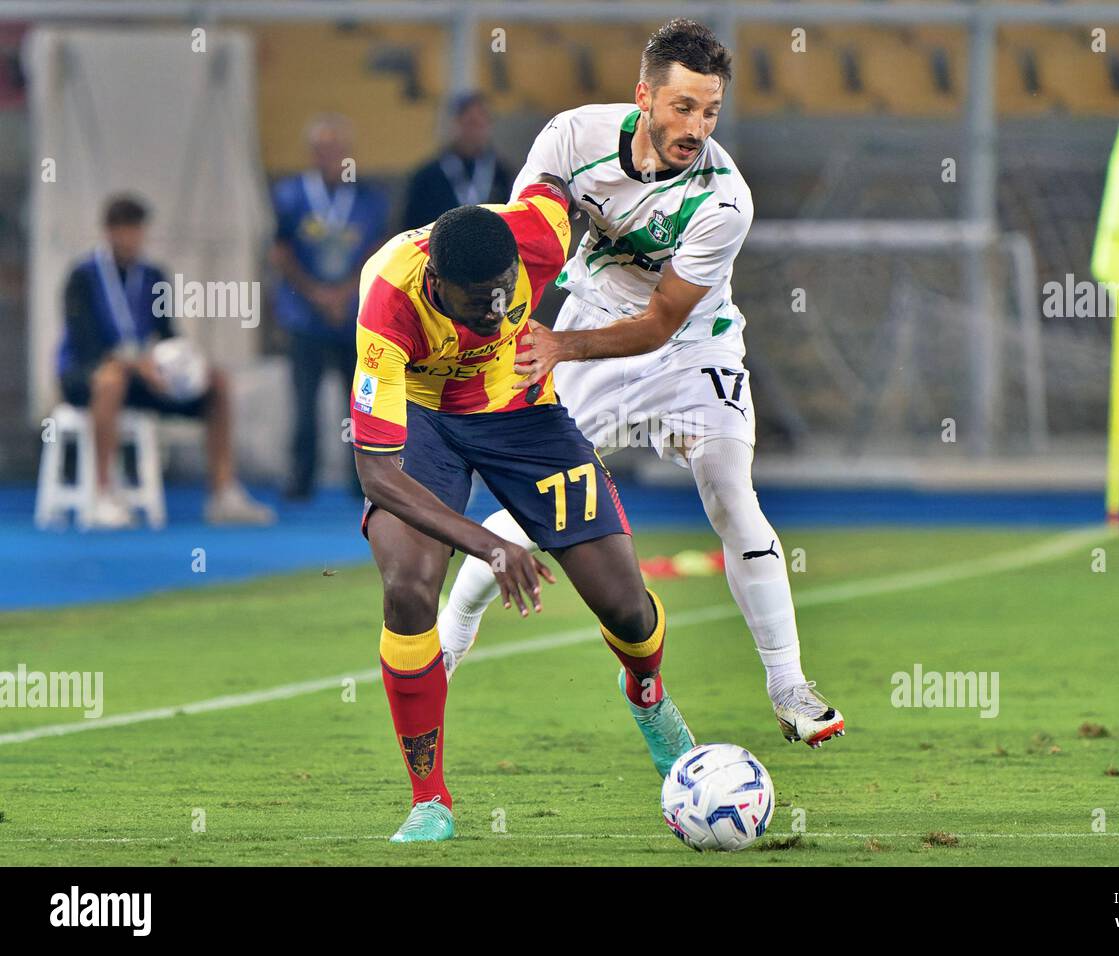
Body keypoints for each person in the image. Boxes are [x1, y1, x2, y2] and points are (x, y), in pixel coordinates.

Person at [440, 19, 846, 748]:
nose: (697, 127)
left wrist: (561, 345)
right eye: (683, 107)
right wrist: (514, 331)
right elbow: (526, 242)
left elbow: (661, 322)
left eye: (711, 110)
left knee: (730, 490)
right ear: (644, 98)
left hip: (691, 349)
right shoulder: (571, 138)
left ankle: (790, 688)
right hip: (588, 330)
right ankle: (450, 638)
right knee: (540, 507)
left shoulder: (725, 202)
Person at [351, 176, 695, 843]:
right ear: (437, 286)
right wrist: (489, 544)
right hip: (422, 421)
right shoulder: (387, 307)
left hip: (520, 409)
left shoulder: (537, 231)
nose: (500, 308)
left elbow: (574, 182)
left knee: (625, 604)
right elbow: (378, 473)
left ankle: (648, 697)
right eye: (479, 302)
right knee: (409, 589)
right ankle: (431, 801)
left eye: (507, 289)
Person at [57, 195, 273, 529]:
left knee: (216, 382)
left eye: (137, 230)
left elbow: (167, 332)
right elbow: (86, 342)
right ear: (109, 232)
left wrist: (184, 365)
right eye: (125, 230)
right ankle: (103, 494)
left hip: (142, 377)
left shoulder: (153, 274)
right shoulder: (82, 276)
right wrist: (135, 363)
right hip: (86, 375)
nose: (132, 238)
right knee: (110, 379)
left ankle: (223, 492)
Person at [270, 114, 389, 499]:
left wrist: (345, 291)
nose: (330, 156)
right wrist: (315, 293)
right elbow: (281, 250)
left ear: (347, 154)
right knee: (303, 404)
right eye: (322, 150)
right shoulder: (289, 195)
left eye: (336, 149)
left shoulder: (368, 198)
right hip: (305, 315)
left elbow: (378, 249)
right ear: (312, 153)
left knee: (359, 403)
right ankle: (300, 481)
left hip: (355, 317)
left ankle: (363, 483)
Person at [401, 92, 514, 230]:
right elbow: (411, 227)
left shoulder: (501, 173)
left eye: (482, 123)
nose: (476, 131)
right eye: (470, 123)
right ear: (453, 125)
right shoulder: (427, 177)